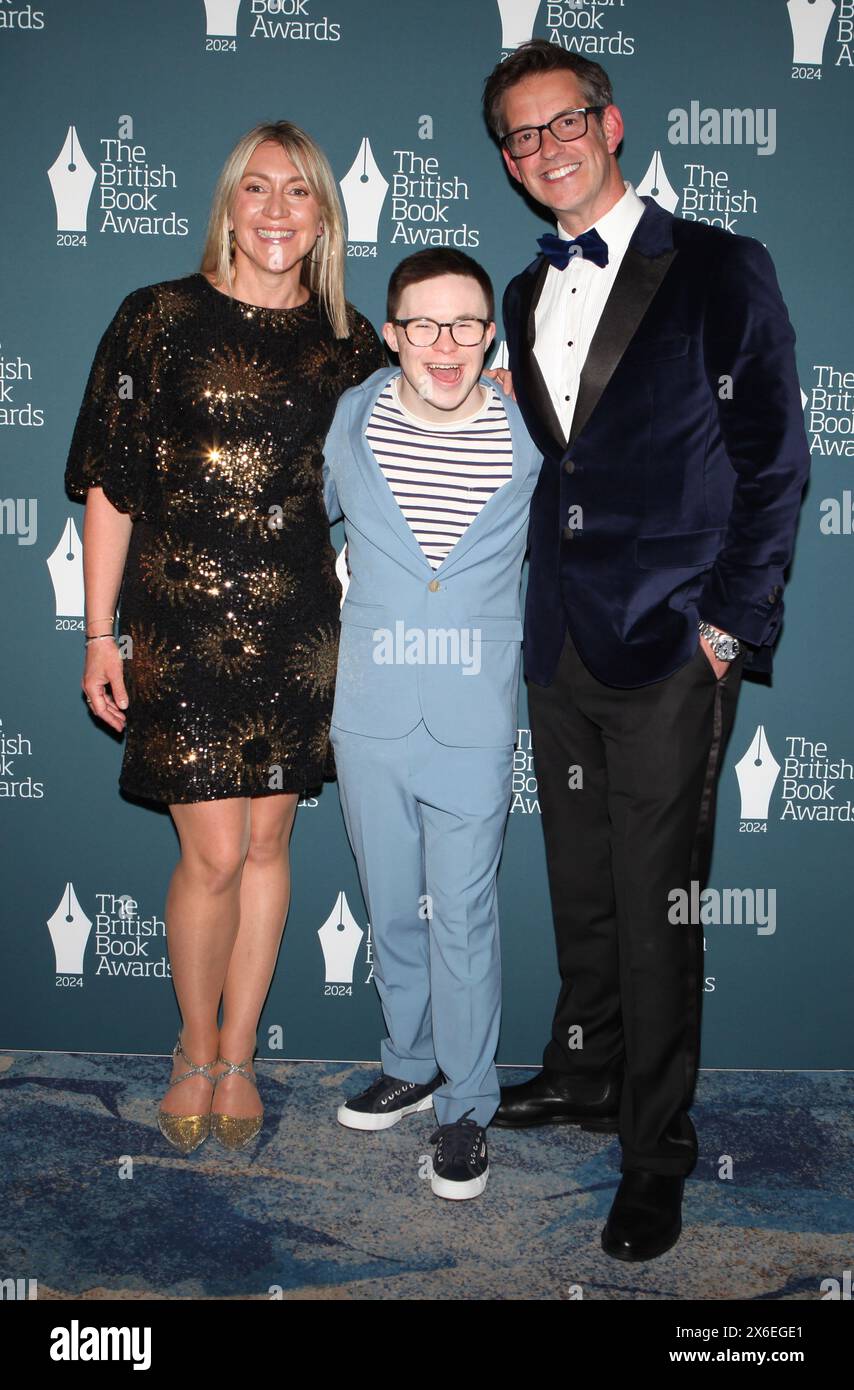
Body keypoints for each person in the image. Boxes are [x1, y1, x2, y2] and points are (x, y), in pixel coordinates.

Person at [482, 42, 810, 1256]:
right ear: (509, 164)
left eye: (560, 123)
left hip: (673, 638)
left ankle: (655, 1149)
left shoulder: (718, 265)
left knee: (655, 901)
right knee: (579, 885)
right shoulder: (522, 295)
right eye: (517, 138)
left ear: (609, 123)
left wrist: (728, 622)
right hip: (559, 634)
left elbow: (775, 460)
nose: (543, 149)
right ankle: (581, 1071)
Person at [64, 121, 385, 1155]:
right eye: (257, 189)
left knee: (268, 841)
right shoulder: (155, 318)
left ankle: (240, 1053)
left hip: (298, 619)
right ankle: (191, 1047)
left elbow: (425, 424)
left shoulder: (347, 340)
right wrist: (98, 631)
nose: (278, 210)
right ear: (229, 205)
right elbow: (112, 481)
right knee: (209, 850)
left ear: (323, 211)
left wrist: (493, 396)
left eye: (299, 191)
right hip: (179, 613)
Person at [322, 249, 542, 1199]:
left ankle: (465, 1107)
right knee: (391, 906)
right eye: (423, 324)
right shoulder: (352, 418)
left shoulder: (532, 429)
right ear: (390, 334)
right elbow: (298, 526)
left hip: (473, 714)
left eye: (464, 324)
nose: (444, 345)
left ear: (491, 332)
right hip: (369, 713)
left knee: (464, 917)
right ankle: (410, 1060)